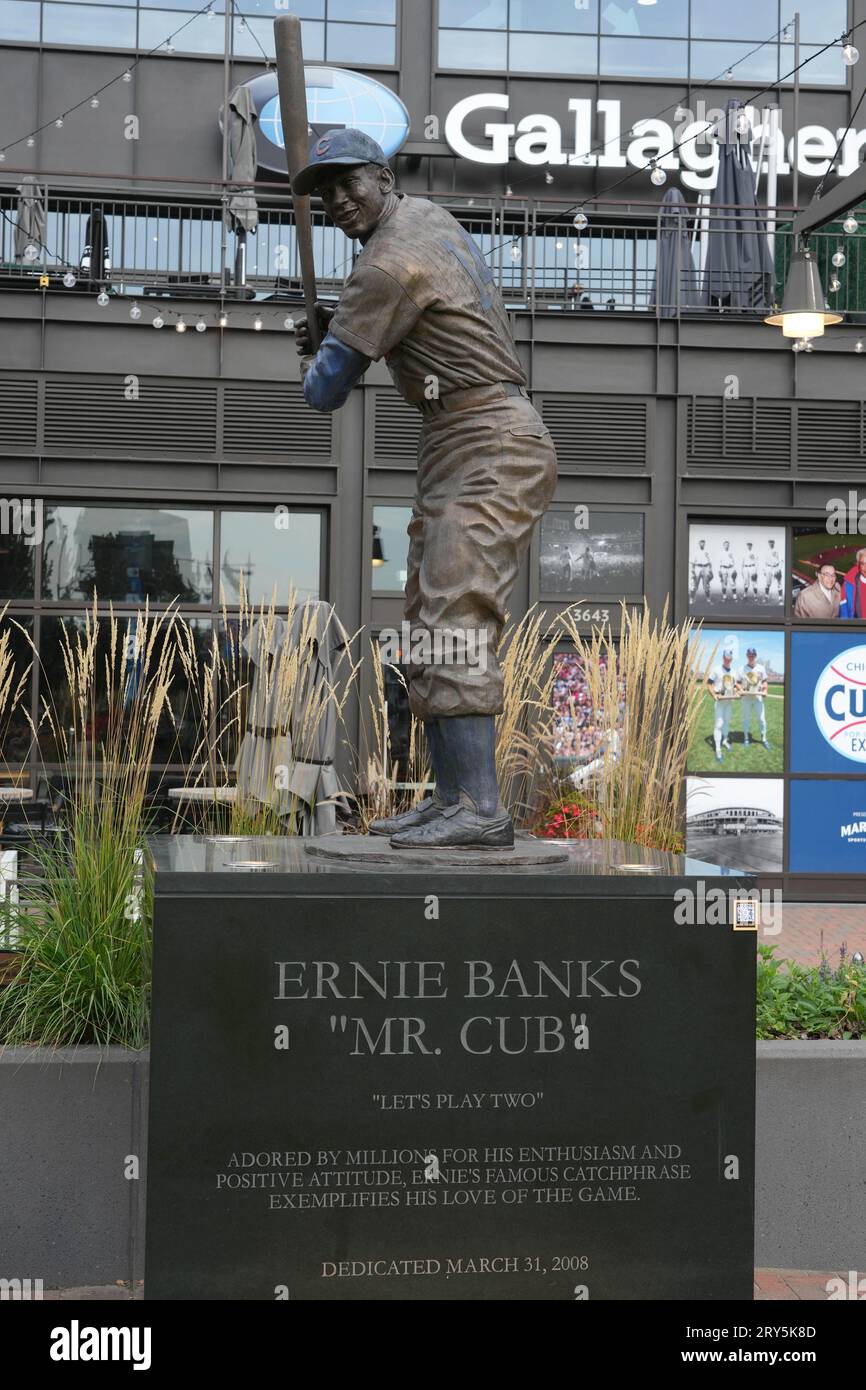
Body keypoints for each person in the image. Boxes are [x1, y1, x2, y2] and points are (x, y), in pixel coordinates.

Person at [292, 129, 557, 849]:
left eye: (349, 183)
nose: (340, 201)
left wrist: (324, 347)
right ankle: (452, 799)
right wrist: (343, 331)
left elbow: (324, 392)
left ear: (382, 175)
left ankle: (480, 808)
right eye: (324, 194)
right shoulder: (426, 217)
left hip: (487, 437)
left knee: (451, 616)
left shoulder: (384, 263)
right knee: (427, 623)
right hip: (458, 435)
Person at [707, 642, 739, 762]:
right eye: (726, 658)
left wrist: (737, 693)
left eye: (729, 659)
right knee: (719, 724)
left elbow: (734, 686)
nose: (728, 660)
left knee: (727, 723)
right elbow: (709, 684)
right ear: (723, 657)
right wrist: (714, 695)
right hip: (720, 701)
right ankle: (718, 749)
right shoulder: (716, 669)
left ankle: (724, 740)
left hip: (729, 702)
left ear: (731, 659)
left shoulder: (733, 672)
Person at [738, 646, 771, 750]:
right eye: (749, 655)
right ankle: (746, 739)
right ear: (747, 656)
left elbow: (765, 682)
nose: (751, 657)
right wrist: (740, 689)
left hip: (757, 697)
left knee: (761, 719)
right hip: (746, 698)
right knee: (746, 719)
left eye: (753, 655)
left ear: (755, 656)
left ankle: (764, 739)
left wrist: (765, 690)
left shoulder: (761, 668)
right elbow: (737, 683)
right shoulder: (741, 669)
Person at [840, 548, 866, 619]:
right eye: (863, 564)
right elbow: (844, 612)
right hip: (856, 628)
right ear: (858, 565)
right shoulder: (848, 584)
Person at [690, 537, 713, 603]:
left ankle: (708, 599)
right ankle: (692, 599)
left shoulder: (707, 552)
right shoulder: (696, 552)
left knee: (706, 585)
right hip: (698, 567)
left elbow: (710, 562)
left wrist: (710, 570)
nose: (702, 544)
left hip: (705, 568)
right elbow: (692, 562)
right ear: (699, 544)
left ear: (704, 544)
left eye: (703, 543)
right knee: (694, 584)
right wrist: (693, 570)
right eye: (701, 543)